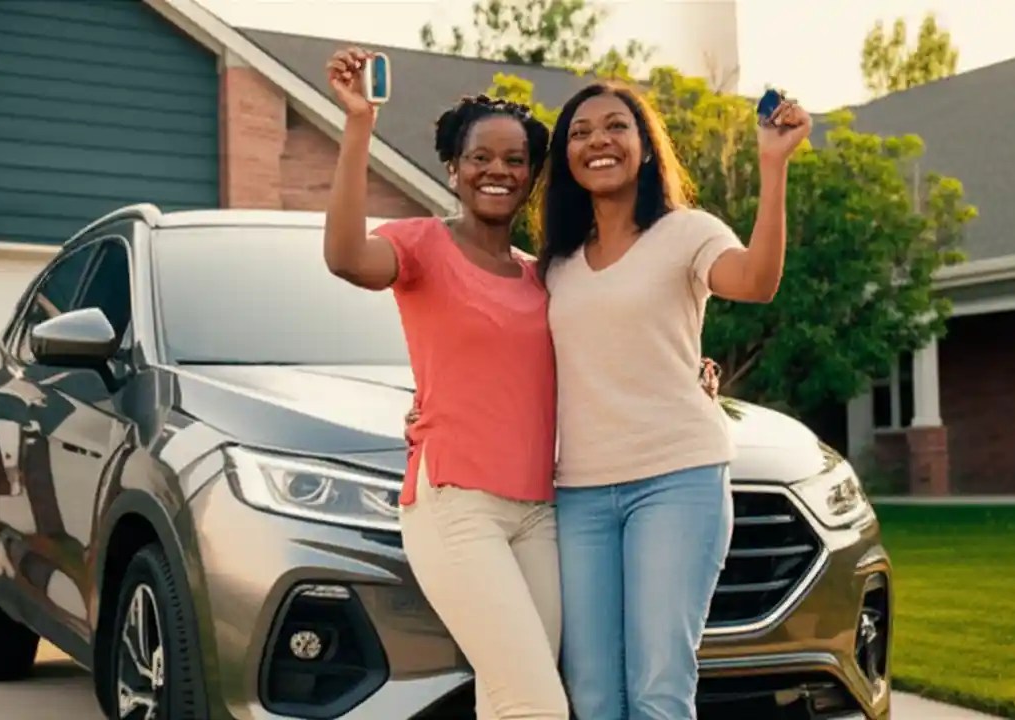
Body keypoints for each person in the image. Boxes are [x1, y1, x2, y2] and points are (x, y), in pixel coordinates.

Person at [537, 81, 810, 720]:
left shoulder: (686, 232)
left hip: (677, 480)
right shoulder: (555, 265)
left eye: (615, 127)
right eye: (580, 133)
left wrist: (773, 166)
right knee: (595, 693)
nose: (598, 141)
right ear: (566, 158)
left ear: (645, 147)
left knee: (660, 686)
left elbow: (756, 280)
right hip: (579, 492)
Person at [319, 47, 567, 720]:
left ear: (532, 177)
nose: (498, 171)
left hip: (539, 513)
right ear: (454, 168)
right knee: (536, 705)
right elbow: (345, 256)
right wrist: (359, 124)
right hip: (457, 505)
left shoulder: (542, 276)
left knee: (510, 695)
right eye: (481, 157)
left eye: (515, 160)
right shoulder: (423, 245)